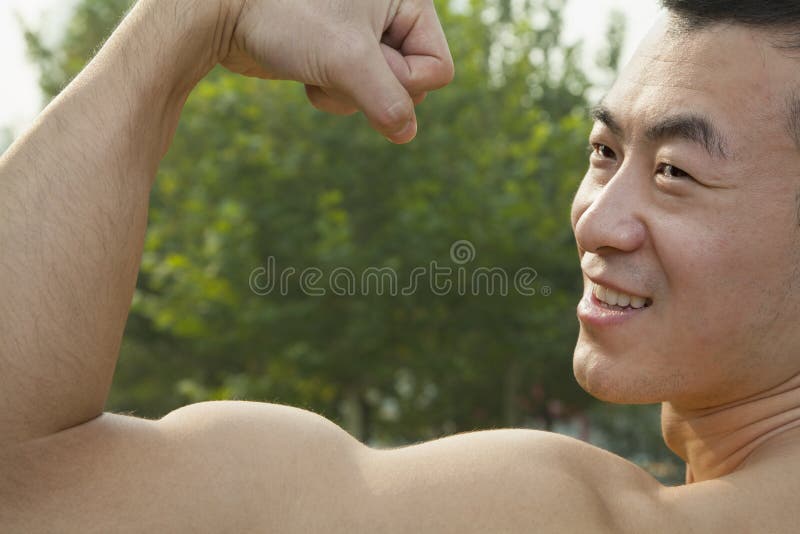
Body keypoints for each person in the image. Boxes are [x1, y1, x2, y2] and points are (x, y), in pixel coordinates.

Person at [2, 0, 800, 530]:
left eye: (676, 173)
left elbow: (21, 486)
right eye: (605, 151)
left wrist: (198, 18)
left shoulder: (564, 516)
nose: (596, 217)